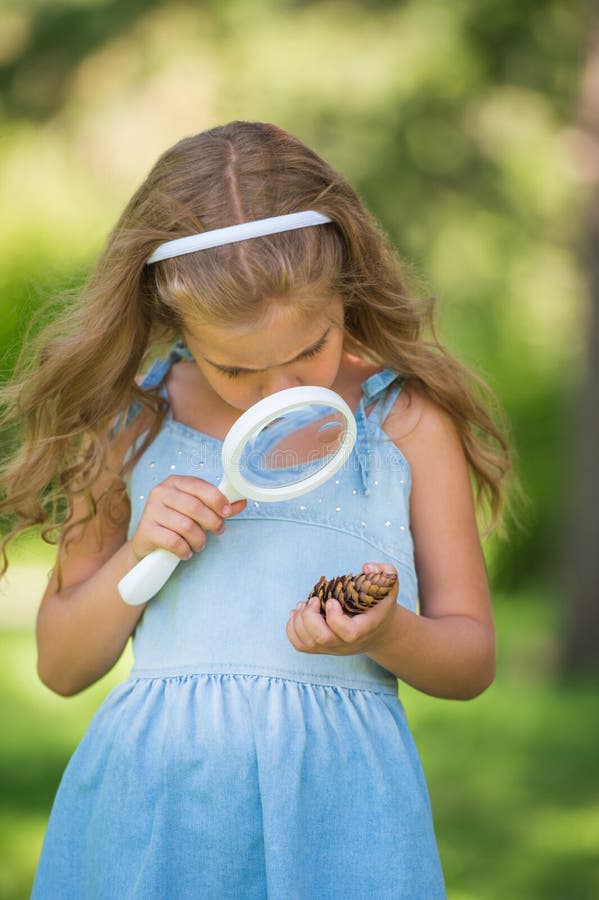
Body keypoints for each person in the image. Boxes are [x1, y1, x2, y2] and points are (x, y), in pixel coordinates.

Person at [0, 120, 517, 899]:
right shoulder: (131, 426)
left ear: (346, 295)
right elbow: (62, 667)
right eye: (236, 368)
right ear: (175, 324)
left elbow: (470, 660)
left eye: (308, 350)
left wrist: (388, 632)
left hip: (341, 814)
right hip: (156, 810)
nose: (279, 396)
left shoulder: (406, 423)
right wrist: (140, 554)